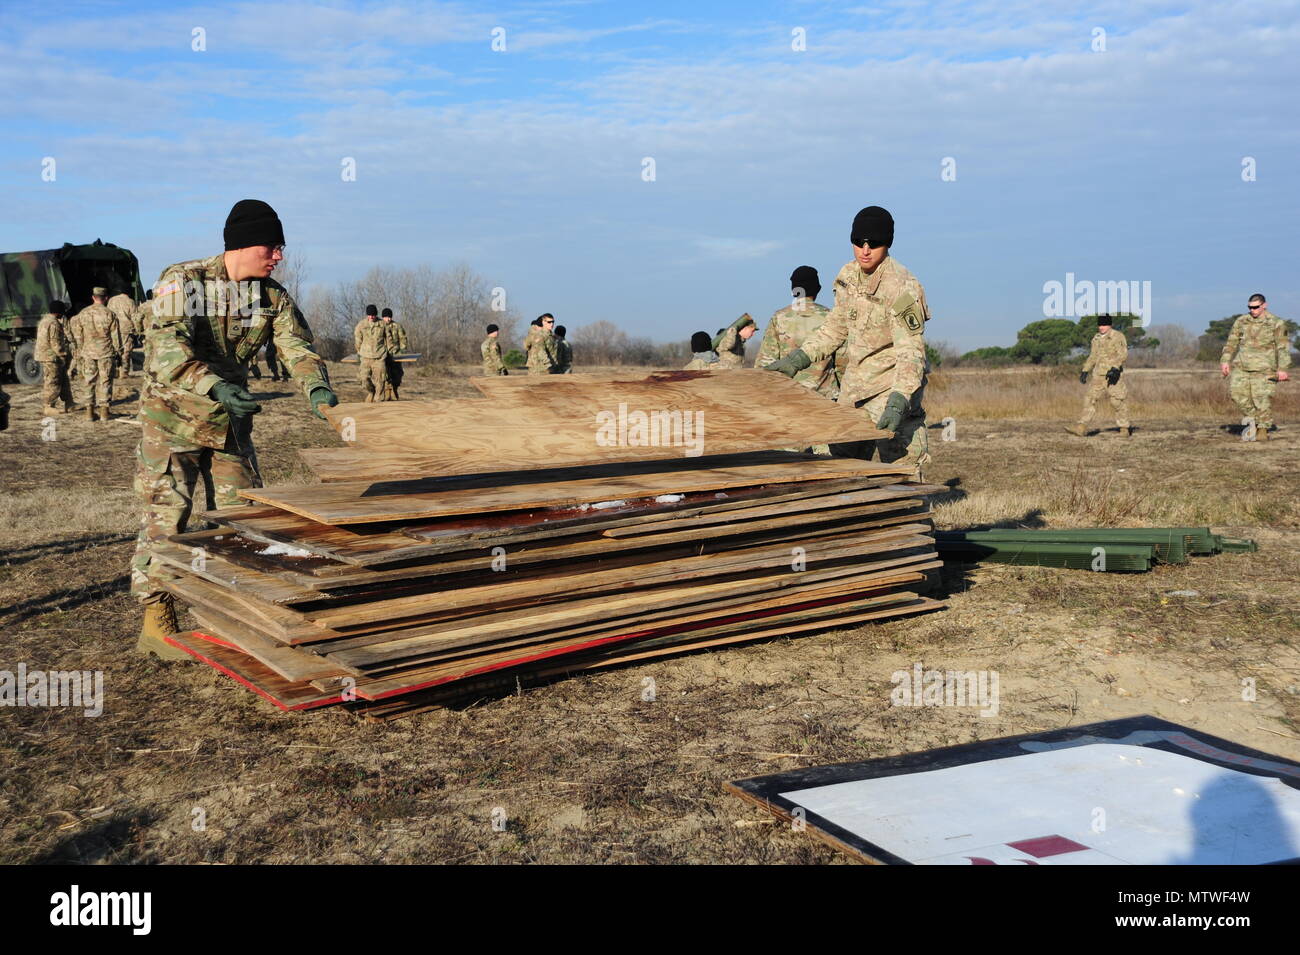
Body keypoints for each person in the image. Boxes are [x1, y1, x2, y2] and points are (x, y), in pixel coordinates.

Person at [131, 198, 337, 659]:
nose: (279, 256)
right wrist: (213, 385)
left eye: (281, 247)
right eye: (273, 246)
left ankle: (235, 613)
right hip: (173, 419)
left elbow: (296, 347)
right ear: (244, 244)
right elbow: (165, 348)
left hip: (230, 426)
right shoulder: (183, 280)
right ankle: (158, 619)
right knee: (168, 518)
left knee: (246, 518)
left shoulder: (272, 297)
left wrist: (317, 391)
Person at [765, 206, 931, 474]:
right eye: (858, 242)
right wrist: (798, 359)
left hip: (891, 388)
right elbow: (834, 329)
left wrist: (899, 400)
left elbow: (910, 352)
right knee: (843, 470)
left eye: (874, 243)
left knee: (903, 473)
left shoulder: (903, 287)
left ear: (887, 243)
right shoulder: (847, 277)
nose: (865, 250)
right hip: (854, 391)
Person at [757, 266, 840, 400]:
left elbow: (766, 361)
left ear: (793, 291)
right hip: (825, 398)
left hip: (788, 396)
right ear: (818, 289)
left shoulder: (779, 318)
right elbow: (842, 362)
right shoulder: (831, 317)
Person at [1220, 293, 1291, 441]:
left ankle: (1262, 429)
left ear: (1264, 305)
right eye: (1250, 307)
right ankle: (1256, 421)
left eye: (1256, 307)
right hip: (1242, 366)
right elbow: (1231, 343)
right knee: (1237, 396)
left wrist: (1283, 368)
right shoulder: (1241, 321)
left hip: (1265, 369)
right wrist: (1225, 361)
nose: (1252, 310)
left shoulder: (1276, 323)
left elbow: (1283, 347)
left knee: (1261, 400)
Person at [1066, 315, 1130, 437]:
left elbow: (1123, 355)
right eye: (1100, 325)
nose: (1101, 327)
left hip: (1113, 376)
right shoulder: (1096, 339)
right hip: (1098, 376)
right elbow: (1093, 356)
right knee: (1089, 399)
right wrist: (1085, 370)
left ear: (1109, 325)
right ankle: (1081, 427)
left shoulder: (1118, 336)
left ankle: (1124, 428)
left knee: (1117, 401)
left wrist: (1115, 368)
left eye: (1104, 325)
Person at [69, 287, 122, 422]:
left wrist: (81, 349)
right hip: (106, 352)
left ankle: (89, 413)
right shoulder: (110, 314)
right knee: (105, 381)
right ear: (106, 298)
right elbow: (116, 337)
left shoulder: (83, 313)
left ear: (93, 297)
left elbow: (78, 335)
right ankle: (104, 413)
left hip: (88, 353)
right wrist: (118, 352)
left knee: (89, 381)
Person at [35, 300, 77, 415]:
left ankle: (69, 403)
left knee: (63, 379)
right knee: (53, 381)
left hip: (47, 355)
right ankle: (48, 406)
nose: (63, 314)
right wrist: (63, 355)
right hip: (51, 357)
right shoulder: (54, 323)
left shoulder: (44, 320)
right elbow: (55, 343)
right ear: (58, 312)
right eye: (62, 312)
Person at [353, 304, 390, 402]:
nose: (371, 317)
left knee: (380, 380)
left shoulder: (382, 324)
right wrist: (359, 352)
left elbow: (388, 339)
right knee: (363, 378)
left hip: (379, 357)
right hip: (365, 357)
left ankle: (379, 399)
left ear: (376, 315)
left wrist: (389, 352)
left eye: (373, 315)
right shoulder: (361, 325)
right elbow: (358, 339)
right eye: (369, 315)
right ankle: (371, 391)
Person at [107, 287, 138, 380]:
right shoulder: (130, 301)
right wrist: (137, 330)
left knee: (114, 349)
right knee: (126, 351)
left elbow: (108, 313)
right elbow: (135, 317)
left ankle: (114, 370)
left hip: (113, 328)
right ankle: (124, 372)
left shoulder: (112, 300)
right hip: (126, 329)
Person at [381, 308, 409, 399]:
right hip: (383, 354)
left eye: (389, 317)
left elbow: (403, 339)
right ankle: (387, 391)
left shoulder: (397, 326)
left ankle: (395, 388)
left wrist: (402, 350)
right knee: (385, 374)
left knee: (398, 374)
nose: (388, 319)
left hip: (396, 354)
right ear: (383, 317)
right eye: (386, 317)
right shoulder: (379, 326)